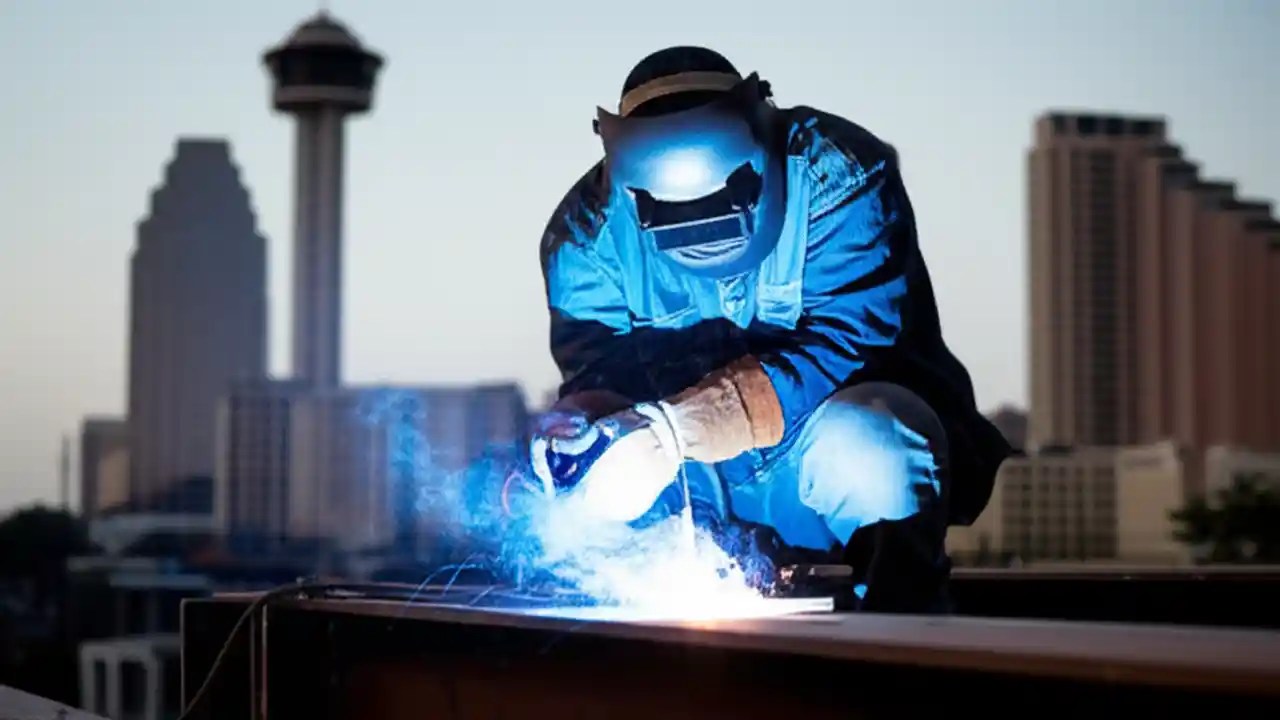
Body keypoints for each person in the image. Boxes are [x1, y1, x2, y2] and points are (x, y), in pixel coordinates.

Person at [530, 46, 1012, 613]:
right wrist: (577, 437)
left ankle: (899, 629)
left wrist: (679, 426)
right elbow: (597, 377)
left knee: (876, 445)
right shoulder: (586, 238)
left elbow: (848, 346)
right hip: (696, 485)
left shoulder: (839, 173)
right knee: (591, 497)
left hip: (817, 453)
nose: (701, 222)